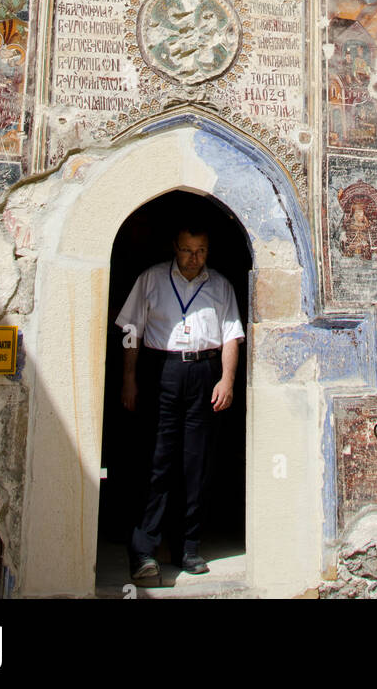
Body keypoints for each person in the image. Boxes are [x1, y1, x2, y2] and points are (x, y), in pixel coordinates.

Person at [117, 228, 244, 583]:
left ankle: (188, 547)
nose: (194, 257)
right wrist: (129, 378)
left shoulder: (220, 285)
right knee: (157, 460)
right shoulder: (152, 279)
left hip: (205, 371)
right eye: (187, 250)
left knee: (197, 463)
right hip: (163, 371)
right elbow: (131, 330)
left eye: (201, 250)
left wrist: (227, 379)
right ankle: (144, 550)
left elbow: (233, 334)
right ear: (175, 247)